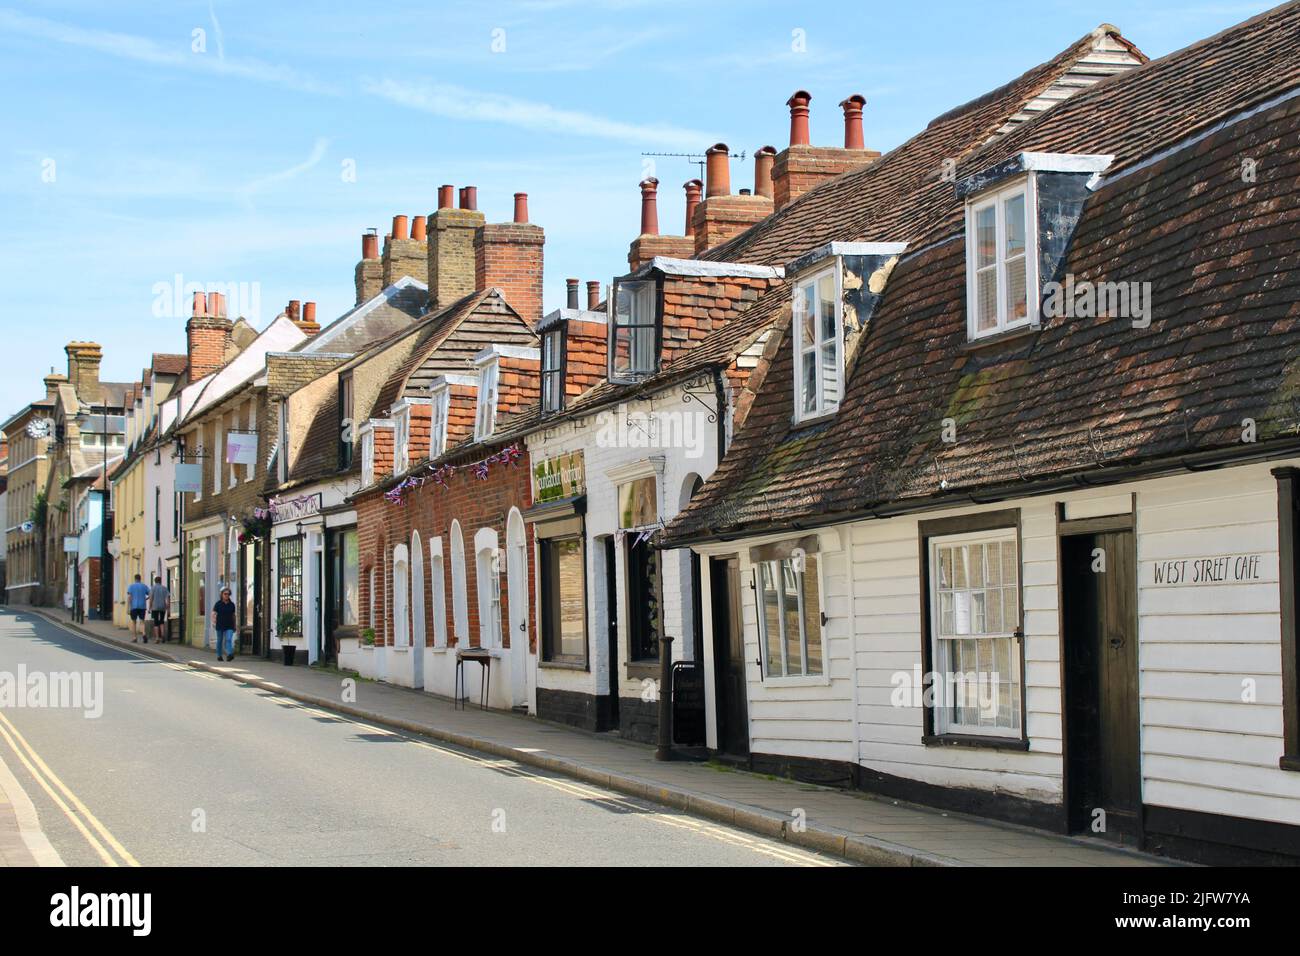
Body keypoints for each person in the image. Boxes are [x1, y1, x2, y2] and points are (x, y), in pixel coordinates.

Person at [211, 587, 238, 662]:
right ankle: (219, 655)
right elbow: (213, 613)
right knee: (220, 640)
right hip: (220, 624)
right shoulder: (218, 604)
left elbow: (233, 615)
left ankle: (229, 654)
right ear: (222, 594)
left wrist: (235, 625)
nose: (227, 595)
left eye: (228, 594)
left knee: (228, 639)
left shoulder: (232, 605)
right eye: (225, 594)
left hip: (229, 625)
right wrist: (214, 622)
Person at [126, 574, 150, 642]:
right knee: (142, 621)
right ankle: (144, 633)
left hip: (134, 606)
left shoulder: (131, 586)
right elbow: (150, 594)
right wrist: (146, 599)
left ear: (135, 579)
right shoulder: (144, 586)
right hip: (142, 606)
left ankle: (134, 637)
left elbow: (129, 597)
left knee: (134, 622)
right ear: (140, 579)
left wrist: (128, 608)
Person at [149, 576, 170, 643]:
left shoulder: (153, 588)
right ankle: (163, 635)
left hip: (155, 607)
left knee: (156, 622)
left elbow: (151, 598)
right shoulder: (164, 588)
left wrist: (150, 607)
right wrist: (167, 607)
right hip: (162, 607)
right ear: (160, 581)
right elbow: (167, 598)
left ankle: (157, 638)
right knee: (162, 621)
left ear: (155, 581)